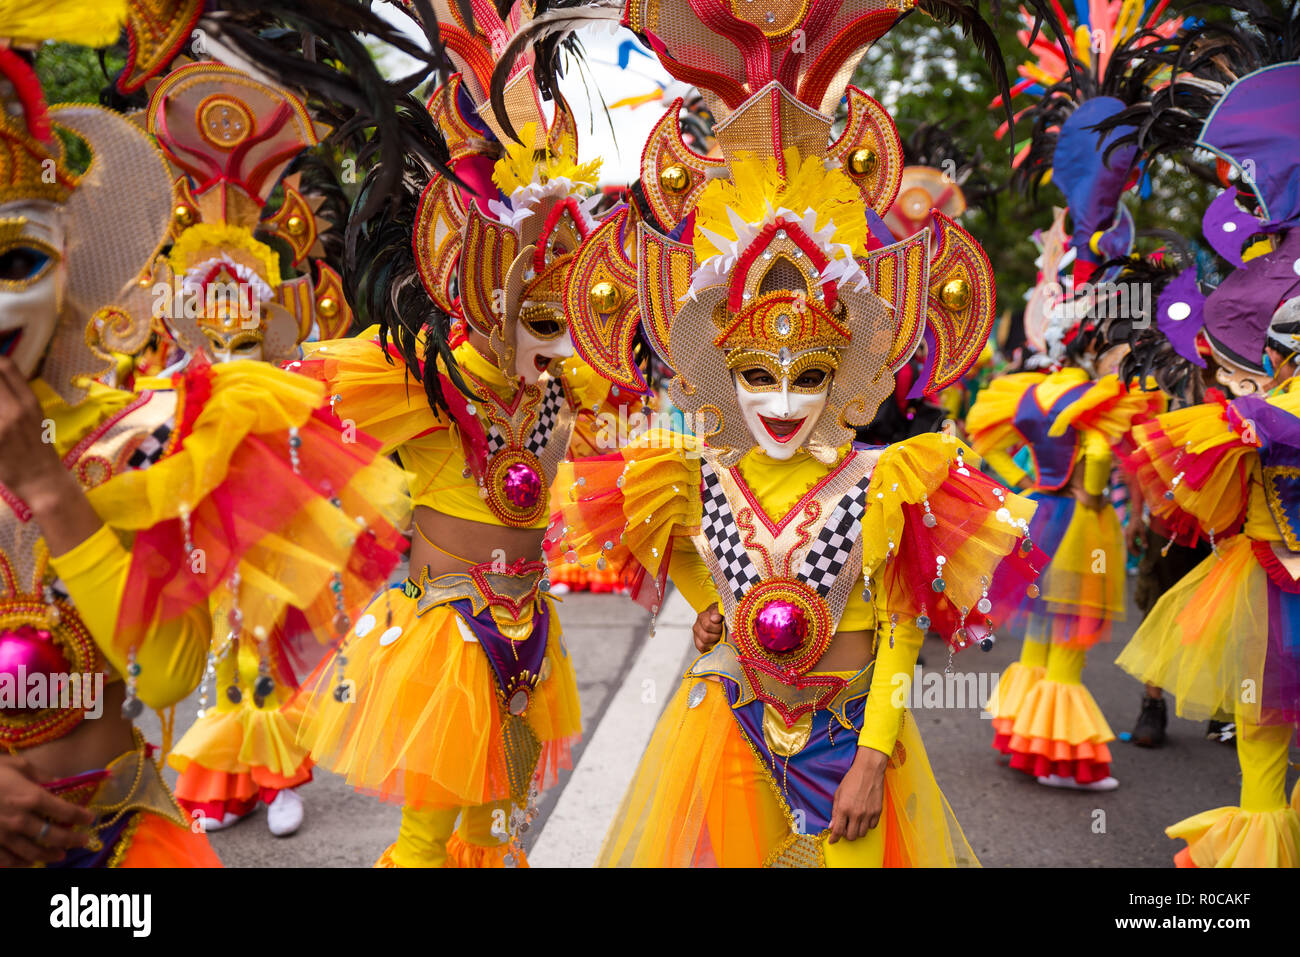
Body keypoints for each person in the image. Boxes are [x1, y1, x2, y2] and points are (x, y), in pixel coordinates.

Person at [540, 0, 1043, 866]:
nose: (780, 400)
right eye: (756, 376)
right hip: (728, 725)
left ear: (843, 373)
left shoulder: (889, 477)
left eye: (807, 376)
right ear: (721, 377)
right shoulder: (694, 474)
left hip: (848, 736)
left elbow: (902, 625)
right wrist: (707, 612)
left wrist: (873, 759)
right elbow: (684, 551)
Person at [0, 10, 406, 867]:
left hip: (109, 851)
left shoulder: (145, 438)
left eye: (16, 262)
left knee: (243, 657)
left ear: (74, 262)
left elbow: (166, 673)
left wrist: (49, 488)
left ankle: (274, 769)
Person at [294, 0, 618, 867]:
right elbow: (312, 386)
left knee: (501, 824)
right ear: (474, 290)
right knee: (427, 833)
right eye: (531, 303)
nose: (553, 325)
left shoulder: (560, 394)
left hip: (528, 624)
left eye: (562, 304)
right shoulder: (430, 386)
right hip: (448, 630)